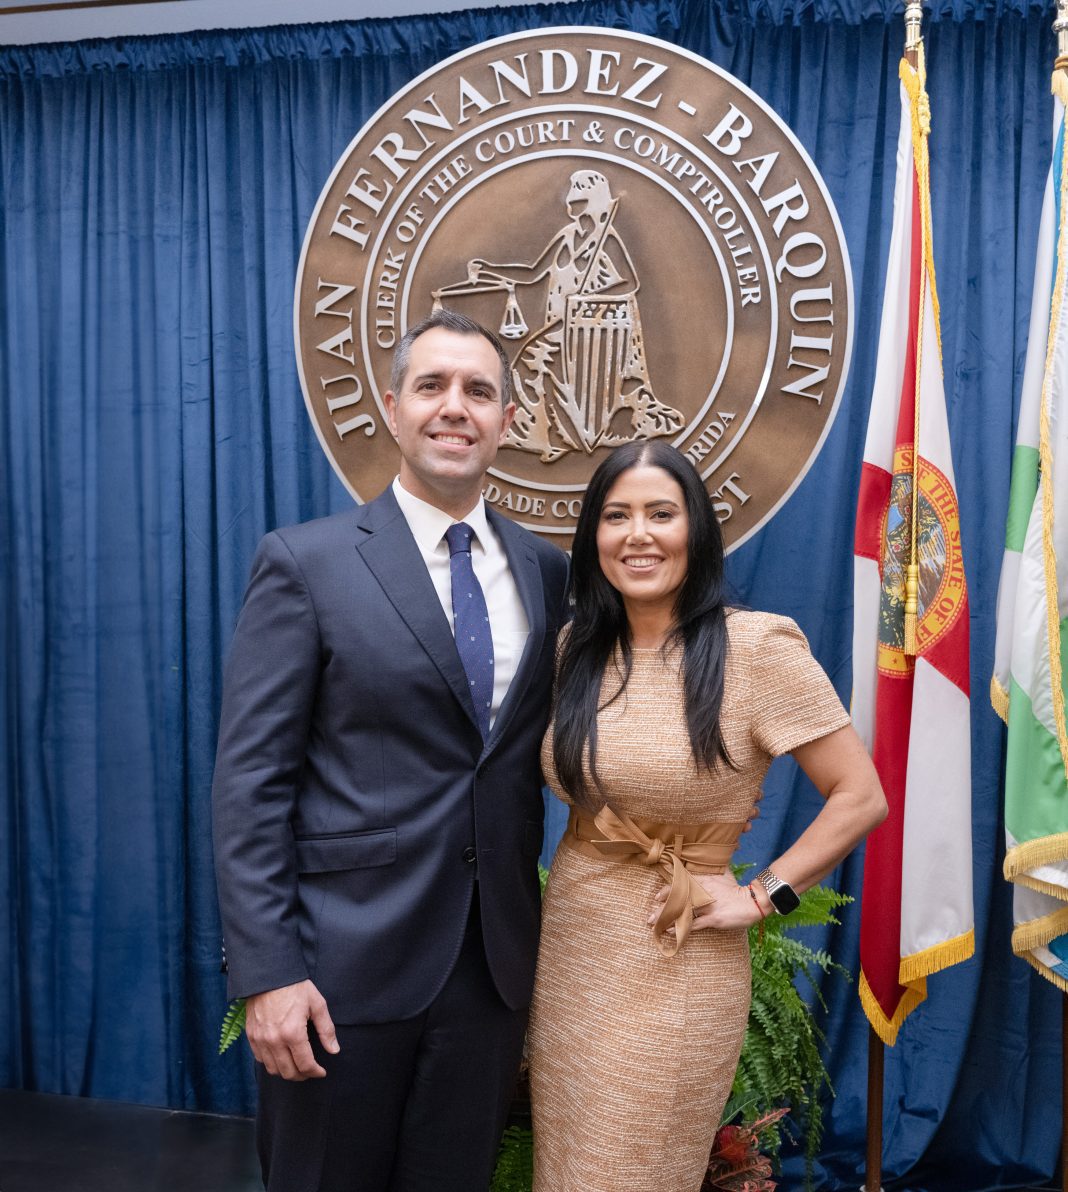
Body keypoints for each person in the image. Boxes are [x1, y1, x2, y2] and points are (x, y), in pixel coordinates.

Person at [211, 309, 569, 1192]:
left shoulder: (547, 573)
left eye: (480, 391)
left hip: (490, 974)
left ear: (508, 421)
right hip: (339, 976)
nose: (457, 408)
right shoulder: (306, 563)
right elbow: (251, 783)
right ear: (392, 406)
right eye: (433, 386)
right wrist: (269, 974)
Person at [528, 441, 887, 1190]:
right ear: (593, 535)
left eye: (662, 513)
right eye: (617, 515)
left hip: (675, 953)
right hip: (572, 949)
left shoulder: (756, 648)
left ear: (697, 529)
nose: (638, 534)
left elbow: (861, 796)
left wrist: (763, 896)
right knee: (563, 1170)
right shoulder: (575, 651)